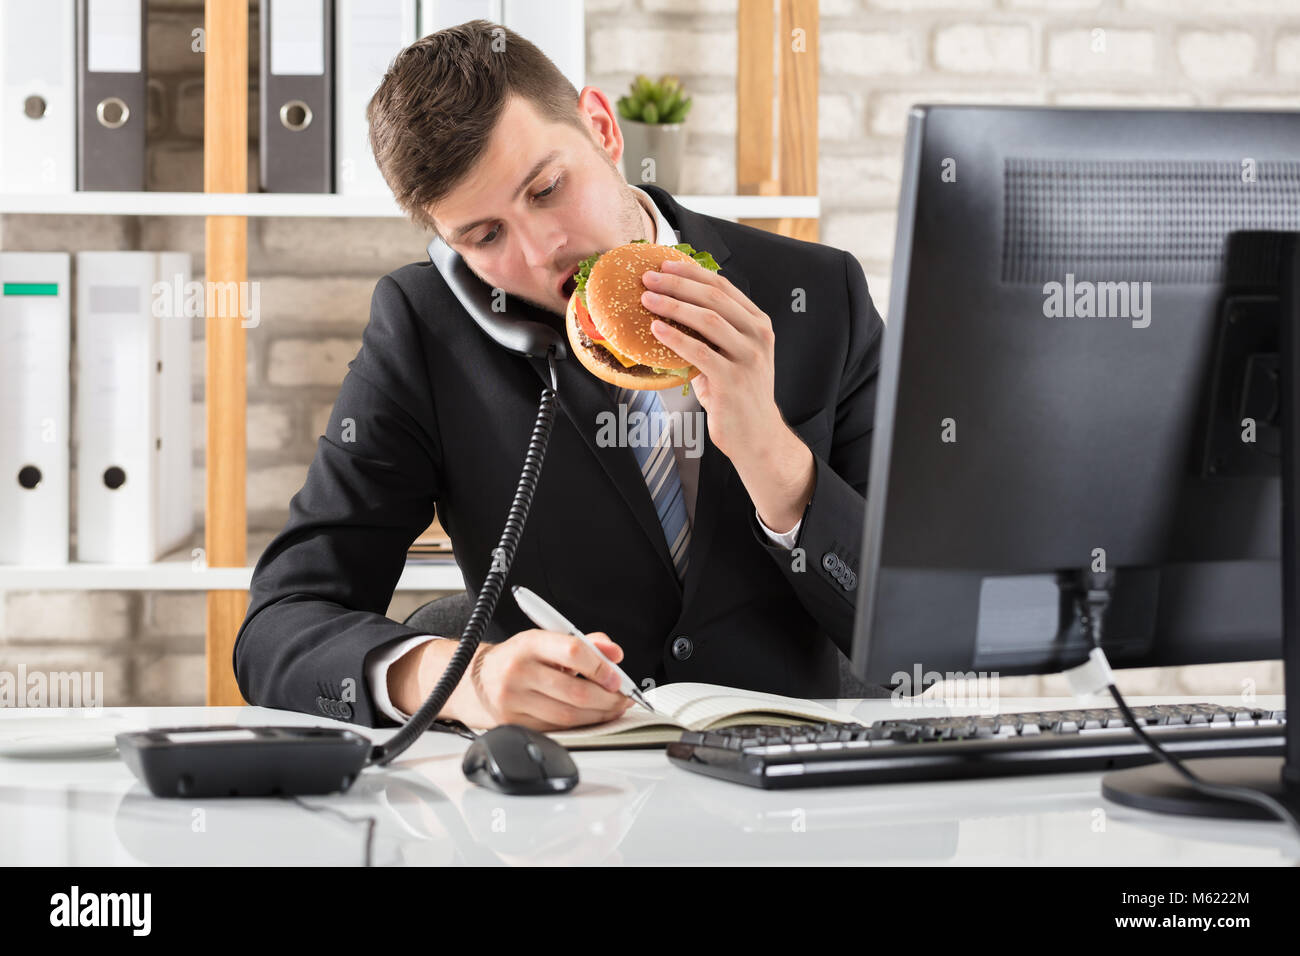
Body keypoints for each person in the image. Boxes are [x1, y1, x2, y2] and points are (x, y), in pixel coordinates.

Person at [233, 20, 885, 732]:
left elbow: (916, 643)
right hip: (566, 803)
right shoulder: (425, 326)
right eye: (485, 237)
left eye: (546, 189)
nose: (543, 252)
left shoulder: (819, 293)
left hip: (793, 794)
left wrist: (774, 458)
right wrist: (462, 678)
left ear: (603, 129)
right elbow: (278, 628)